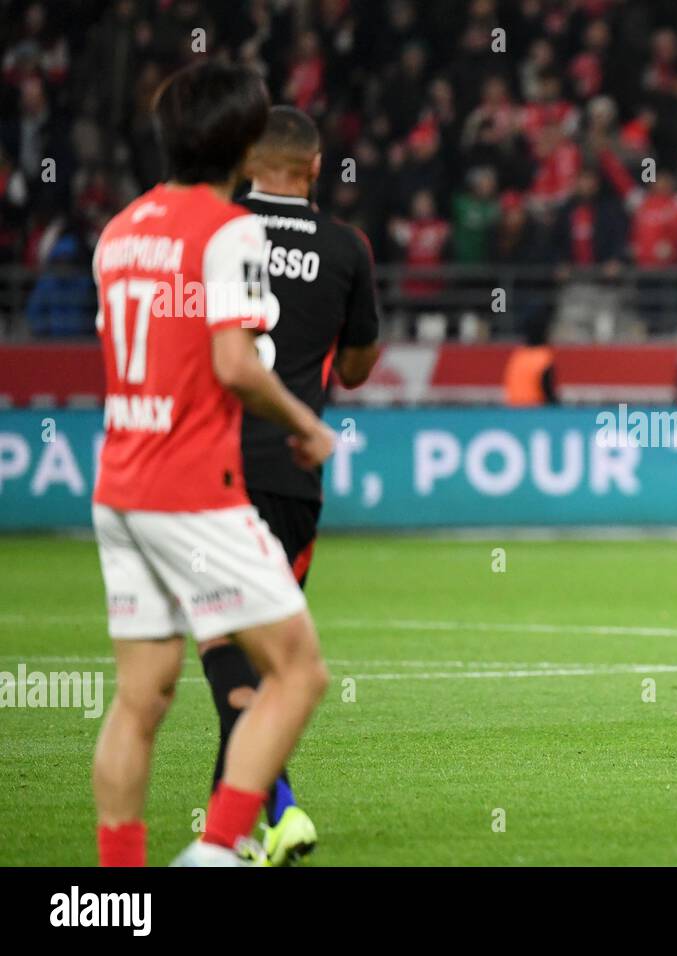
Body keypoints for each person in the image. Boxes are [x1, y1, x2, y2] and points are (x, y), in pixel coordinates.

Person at [90, 61, 335, 867]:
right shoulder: (228, 230)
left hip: (120, 485)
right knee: (297, 672)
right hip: (192, 491)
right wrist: (305, 424)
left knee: (142, 696)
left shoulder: (120, 230)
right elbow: (234, 361)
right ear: (238, 139)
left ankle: (117, 889)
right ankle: (217, 849)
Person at [192, 106, 380, 866]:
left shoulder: (212, 230)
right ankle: (234, 823)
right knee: (268, 651)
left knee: (229, 648)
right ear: (313, 167)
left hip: (211, 464)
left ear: (245, 161)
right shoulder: (346, 246)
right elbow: (361, 364)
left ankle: (273, 813)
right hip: (295, 477)